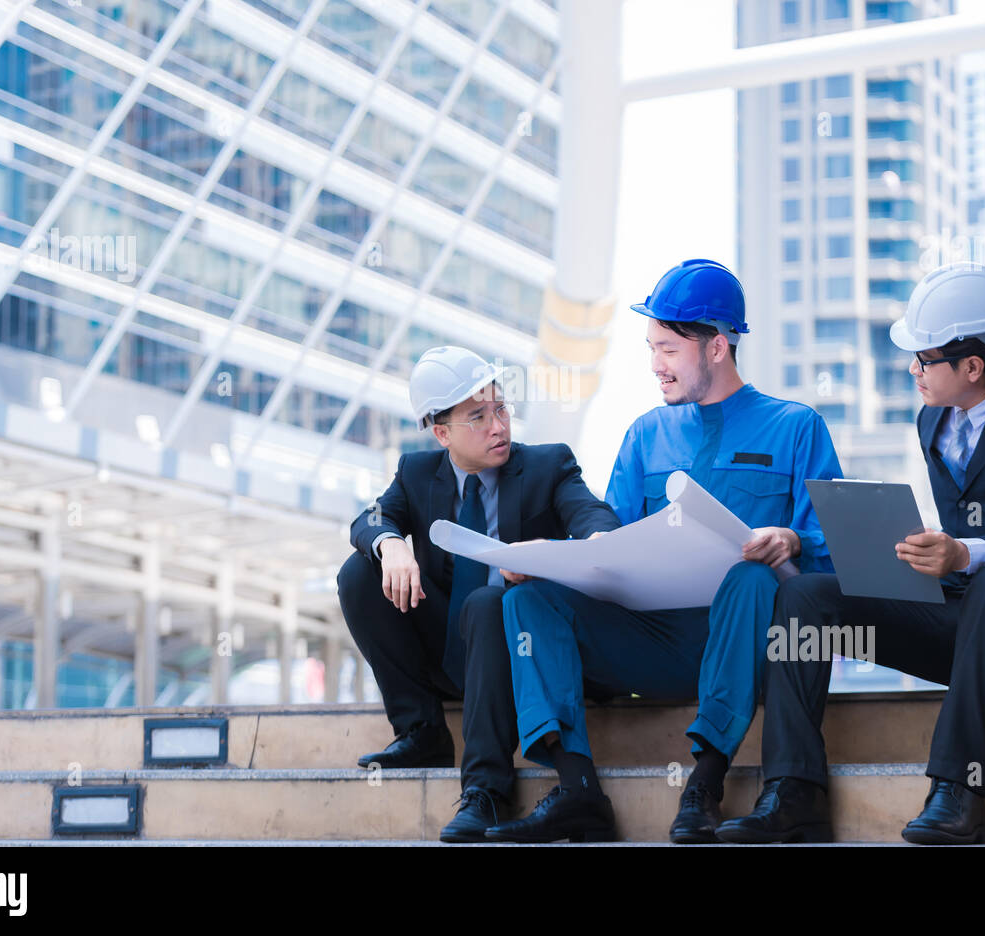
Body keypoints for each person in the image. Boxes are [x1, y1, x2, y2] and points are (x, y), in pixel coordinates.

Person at [719, 262, 985, 846]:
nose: (912, 370)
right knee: (803, 595)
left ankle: (957, 791)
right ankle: (794, 792)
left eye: (924, 359)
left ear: (972, 366)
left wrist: (966, 553)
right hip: (958, 622)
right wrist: (916, 553)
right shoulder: (931, 419)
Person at [484, 259, 843, 844]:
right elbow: (612, 546)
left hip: (750, 645)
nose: (656, 365)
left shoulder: (796, 427)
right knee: (528, 601)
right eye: (652, 348)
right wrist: (554, 560)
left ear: (719, 347)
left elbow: (834, 564)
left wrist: (793, 540)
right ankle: (577, 791)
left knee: (751, 579)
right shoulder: (645, 434)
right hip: (651, 642)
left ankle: (704, 782)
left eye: (670, 350)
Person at [339, 346, 619, 842]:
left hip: (520, 659)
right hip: (450, 650)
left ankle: (487, 791)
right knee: (358, 575)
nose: (499, 425)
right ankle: (422, 732)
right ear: (441, 432)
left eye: (501, 408)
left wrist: (565, 549)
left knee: (490, 602)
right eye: (478, 416)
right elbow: (371, 519)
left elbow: (593, 517)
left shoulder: (547, 465)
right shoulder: (417, 473)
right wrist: (391, 547)